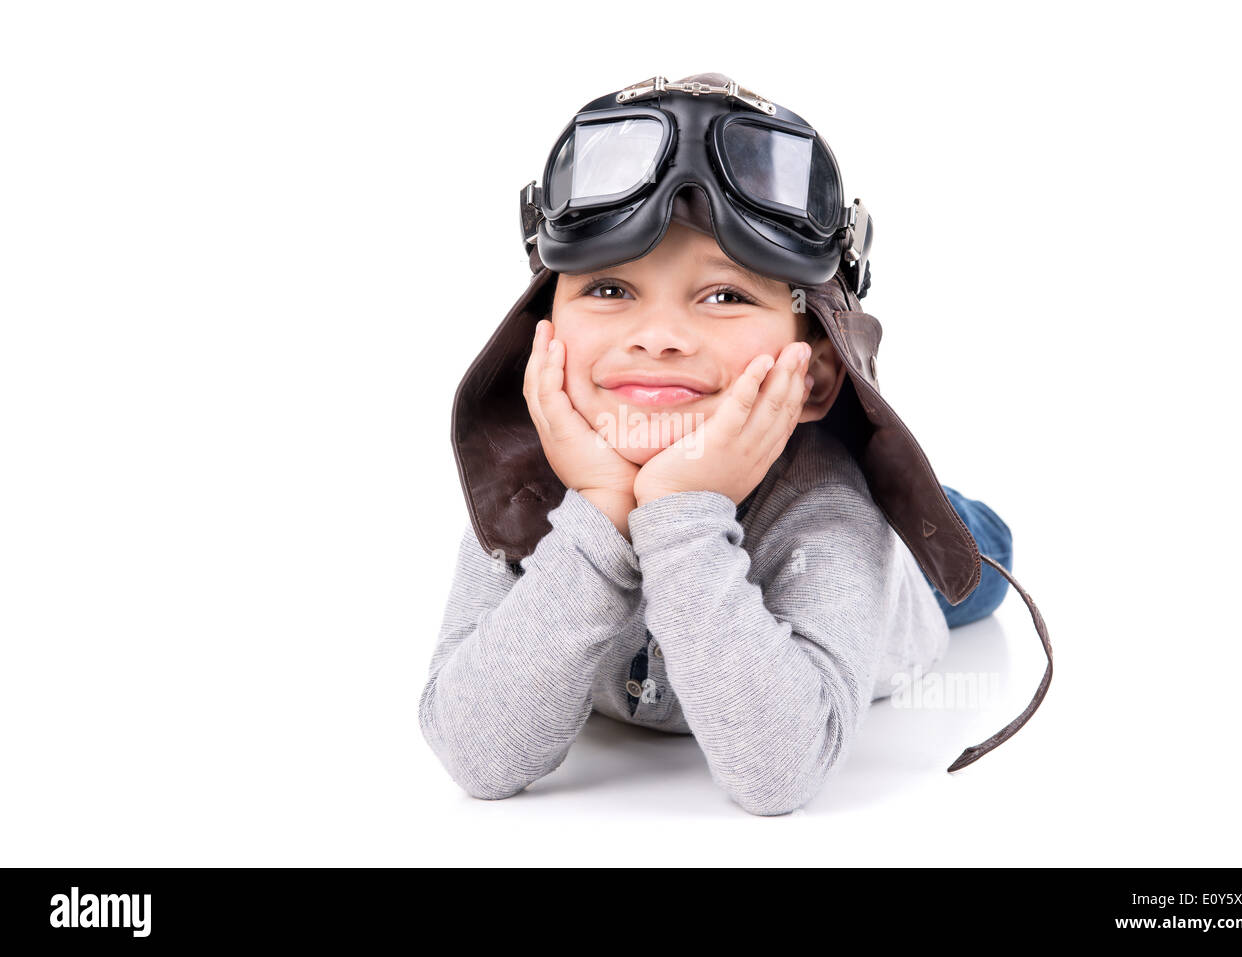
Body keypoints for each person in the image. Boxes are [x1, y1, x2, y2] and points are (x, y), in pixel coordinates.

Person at [419, 73, 1047, 816]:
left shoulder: (831, 517)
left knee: (971, 551)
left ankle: (961, 528)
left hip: (911, 579)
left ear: (812, 377)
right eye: (611, 289)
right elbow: (472, 752)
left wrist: (680, 512)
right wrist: (599, 513)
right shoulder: (523, 494)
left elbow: (778, 772)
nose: (656, 337)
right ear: (539, 336)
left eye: (726, 296)